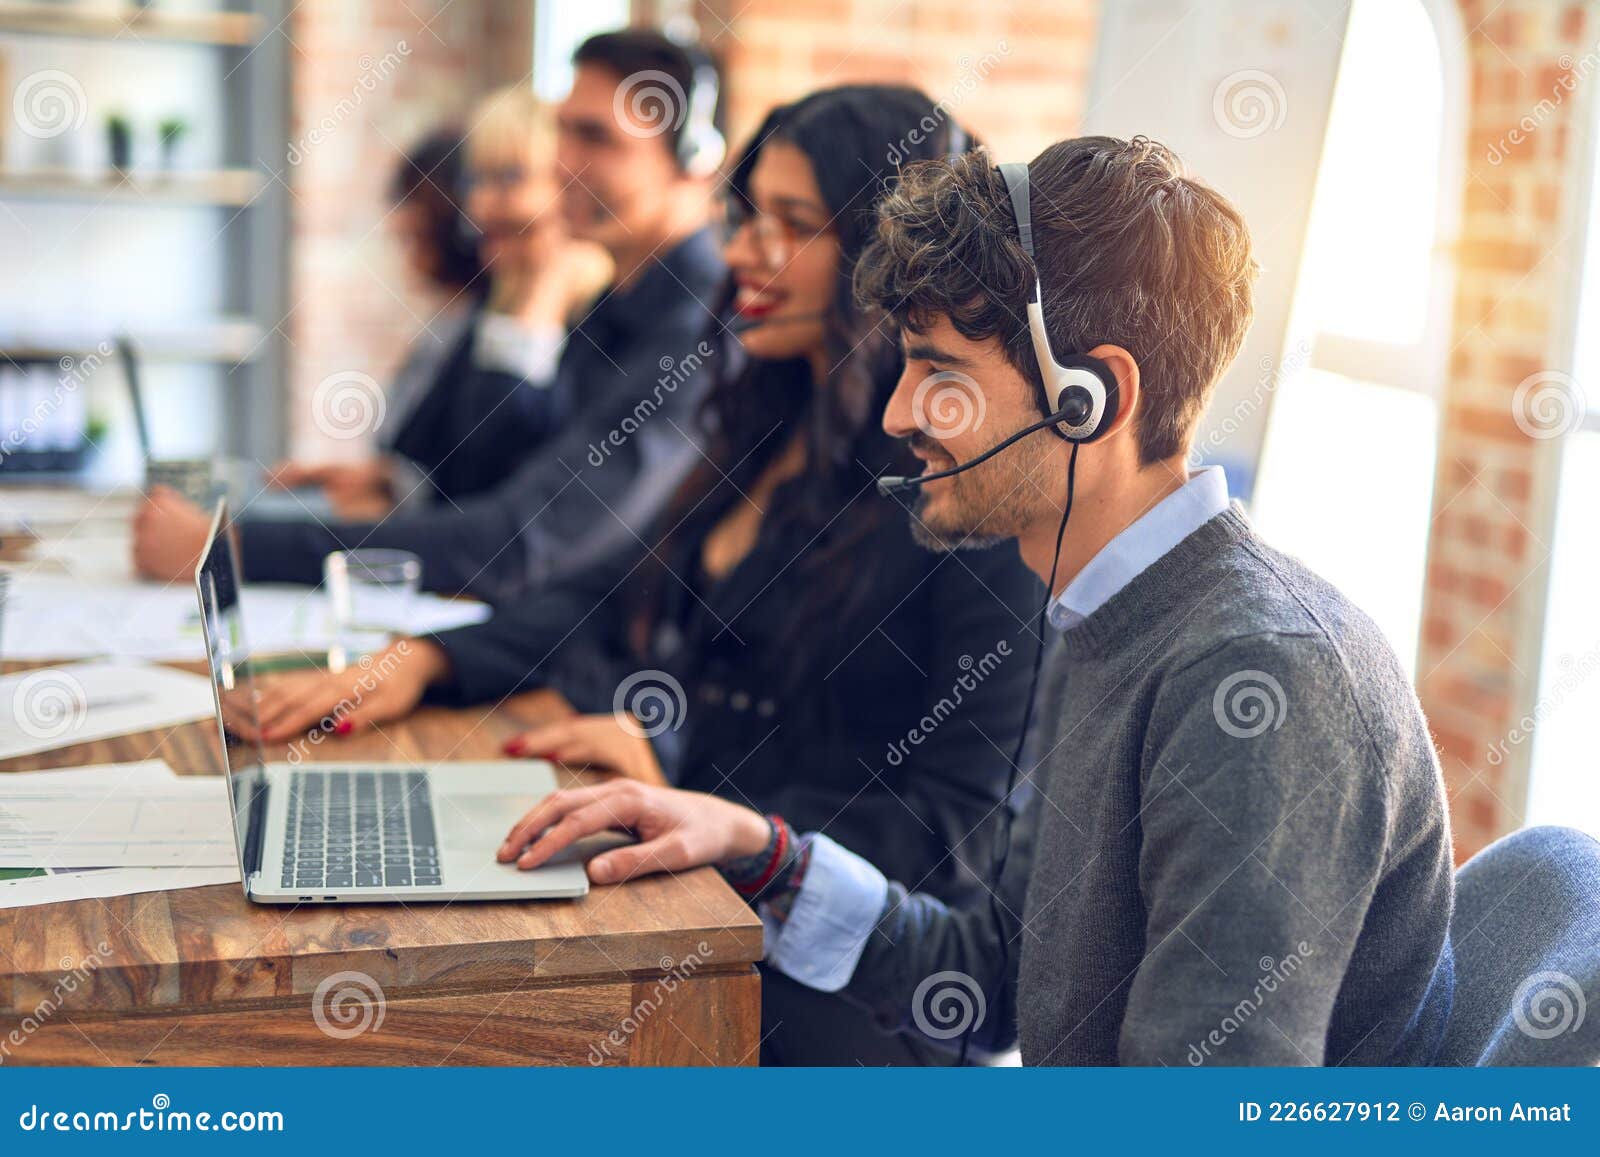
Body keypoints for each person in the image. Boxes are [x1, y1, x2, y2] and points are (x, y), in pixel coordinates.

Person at [494, 136, 1458, 1067]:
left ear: (1093, 398)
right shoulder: (1107, 619)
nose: (896, 414)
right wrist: (760, 850)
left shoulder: (1258, 677)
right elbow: (995, 986)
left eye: (940, 373)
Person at [232, 86, 1044, 1066]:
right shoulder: (771, 417)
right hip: (703, 893)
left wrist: (713, 806)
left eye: (791, 226)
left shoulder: (970, 498)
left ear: (891, 252)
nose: (743, 252)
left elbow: (951, 833)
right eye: (748, 218)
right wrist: (426, 662)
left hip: (842, 998)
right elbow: (619, 586)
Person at [131, 30, 728, 602]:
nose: (564, 163)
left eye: (596, 138)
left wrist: (235, 548)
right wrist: (397, 486)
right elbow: (489, 477)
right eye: (563, 133)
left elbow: (518, 540)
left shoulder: (697, 326)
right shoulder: (621, 302)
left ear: (694, 158)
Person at [266, 95, 609, 522]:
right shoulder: (494, 306)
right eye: (476, 182)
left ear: (569, 184)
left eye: (509, 178)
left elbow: (498, 474)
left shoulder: (601, 320)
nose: (482, 206)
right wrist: (385, 482)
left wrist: (545, 293)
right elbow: (448, 463)